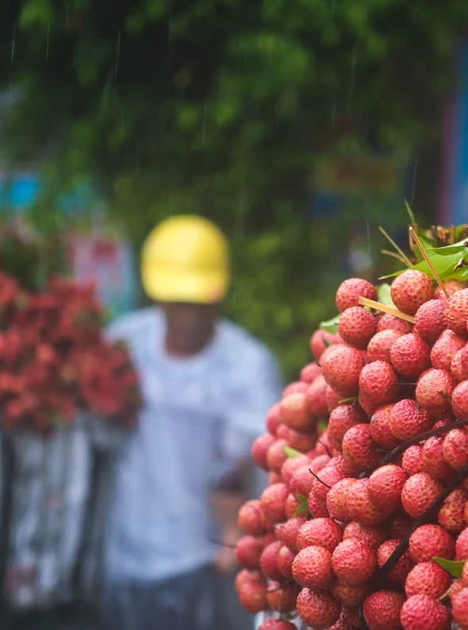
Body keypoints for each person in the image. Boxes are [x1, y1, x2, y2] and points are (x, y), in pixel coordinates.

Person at [102, 215, 281, 630]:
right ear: (157, 296)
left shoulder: (246, 366)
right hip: (125, 549)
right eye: (177, 302)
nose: (187, 315)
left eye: (196, 303)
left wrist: (236, 531)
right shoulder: (125, 343)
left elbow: (253, 460)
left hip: (202, 558)